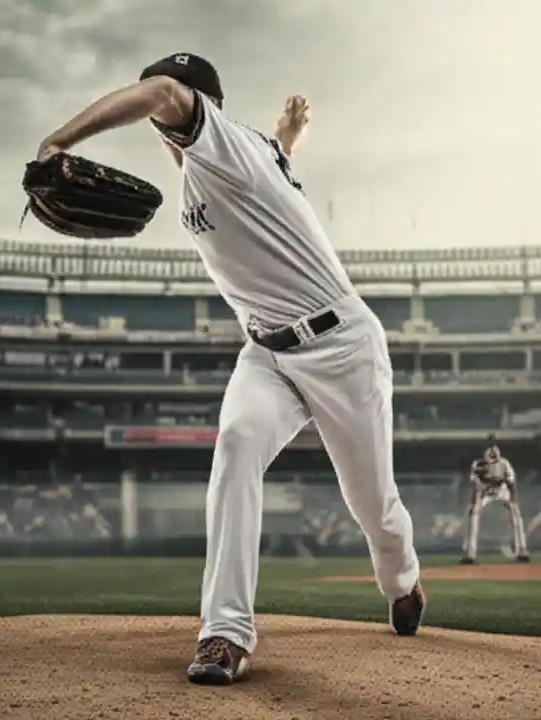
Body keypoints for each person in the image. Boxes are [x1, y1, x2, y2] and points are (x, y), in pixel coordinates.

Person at [36, 53, 423, 686]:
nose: (160, 121)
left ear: (202, 108)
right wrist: (290, 133)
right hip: (268, 353)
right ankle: (225, 631)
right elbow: (275, 155)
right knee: (238, 445)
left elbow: (164, 91)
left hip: (343, 346)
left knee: (372, 504)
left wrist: (58, 141)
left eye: (170, 112)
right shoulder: (239, 156)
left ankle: (402, 577)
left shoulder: (226, 143)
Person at [462, 435, 529, 564]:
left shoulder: (504, 463)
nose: (492, 451)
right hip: (485, 493)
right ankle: (470, 554)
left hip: (502, 490)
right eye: (489, 447)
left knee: (516, 515)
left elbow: (511, 484)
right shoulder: (477, 464)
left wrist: (514, 502)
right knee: (472, 514)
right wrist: (473, 504)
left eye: (494, 447)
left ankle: (522, 550)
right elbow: (476, 486)